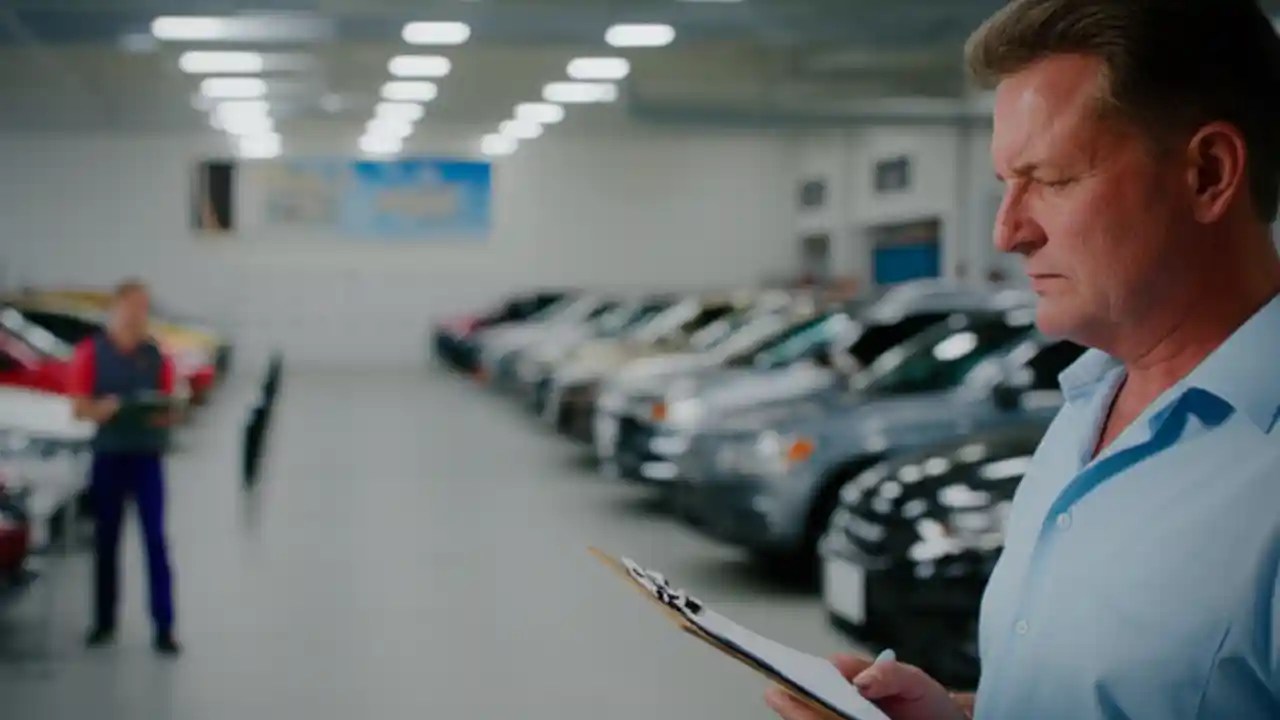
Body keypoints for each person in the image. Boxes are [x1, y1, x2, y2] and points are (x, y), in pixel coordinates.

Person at [767, 0, 1280, 718]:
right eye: (1007, 183)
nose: (1008, 233)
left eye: (1053, 179)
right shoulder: (1084, 411)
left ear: (1208, 174)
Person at [69, 280, 182, 656]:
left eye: (144, 308)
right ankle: (104, 622)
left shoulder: (155, 355)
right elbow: (79, 406)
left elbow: (171, 404)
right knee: (107, 541)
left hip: (147, 457)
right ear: (116, 308)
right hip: (109, 456)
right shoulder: (91, 352)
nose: (138, 315)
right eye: (132, 307)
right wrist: (108, 409)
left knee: (155, 540)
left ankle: (164, 627)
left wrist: (160, 414)